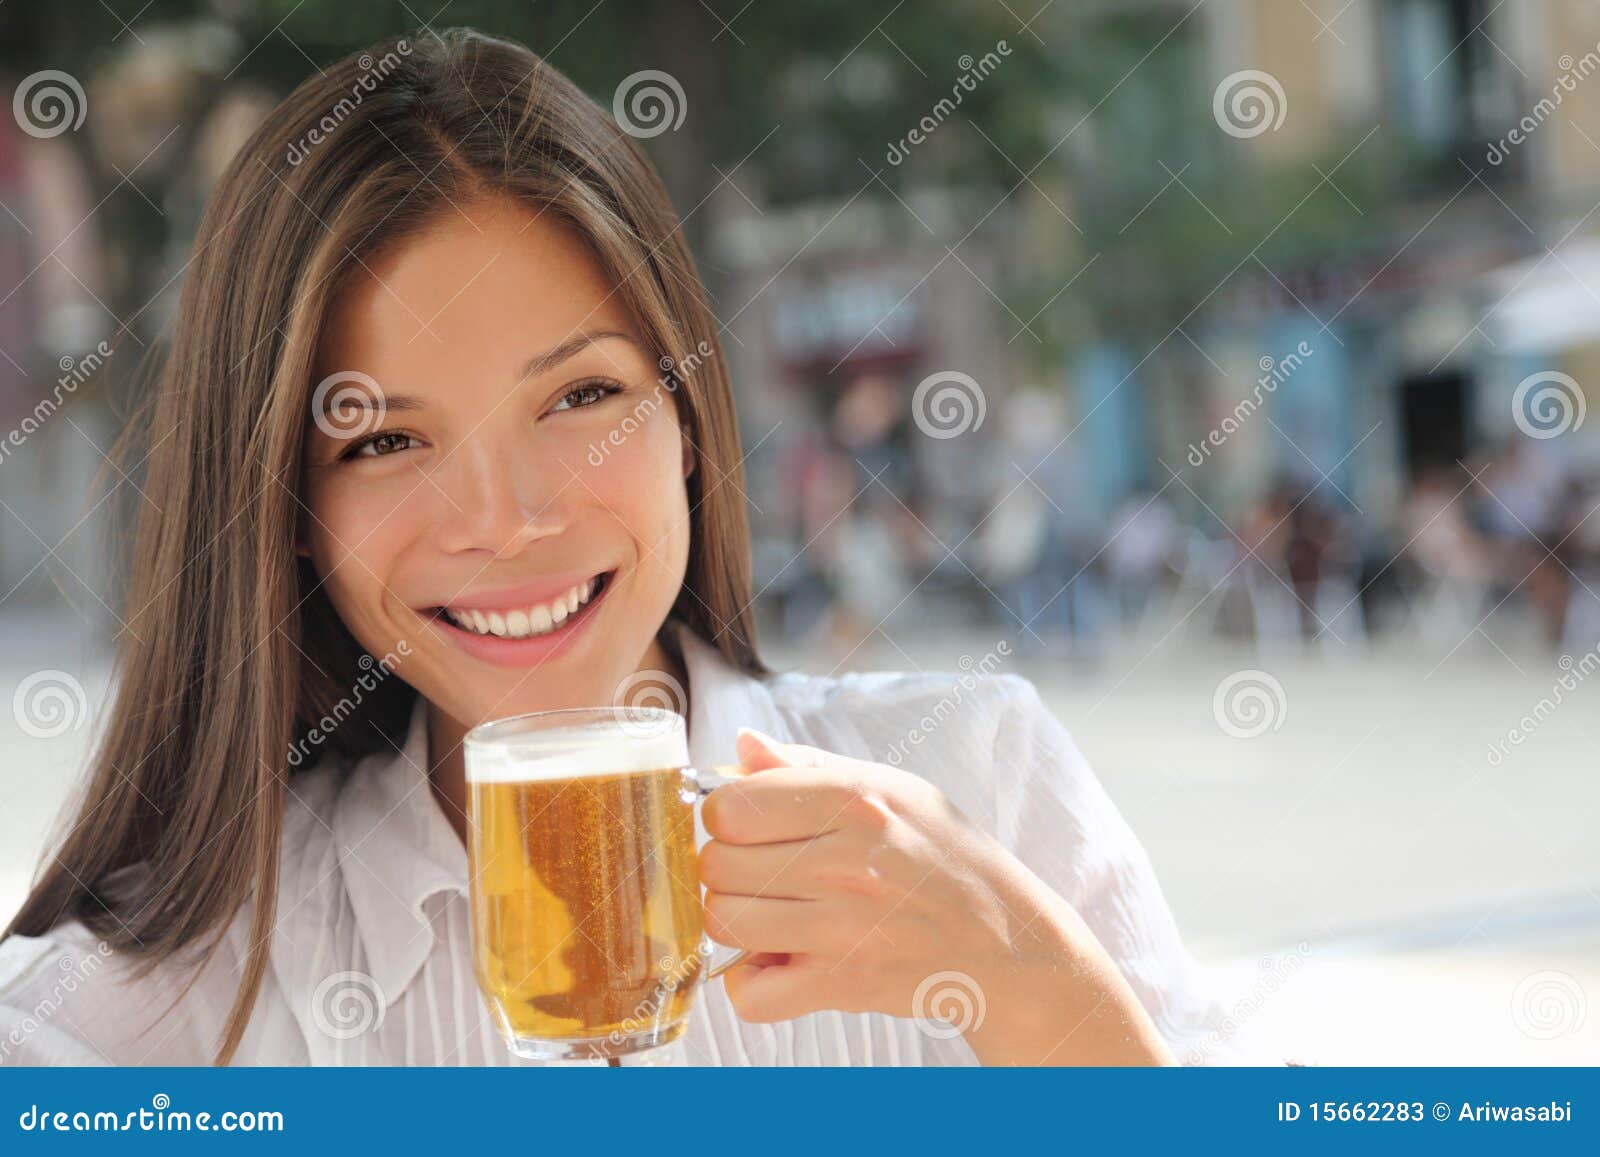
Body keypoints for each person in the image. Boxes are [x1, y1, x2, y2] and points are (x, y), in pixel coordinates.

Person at [0, 29, 1258, 1067]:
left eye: (581, 398)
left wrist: (1031, 983)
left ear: (689, 419)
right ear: (283, 512)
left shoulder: (983, 785)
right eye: (382, 440)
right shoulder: (177, 993)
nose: (505, 517)